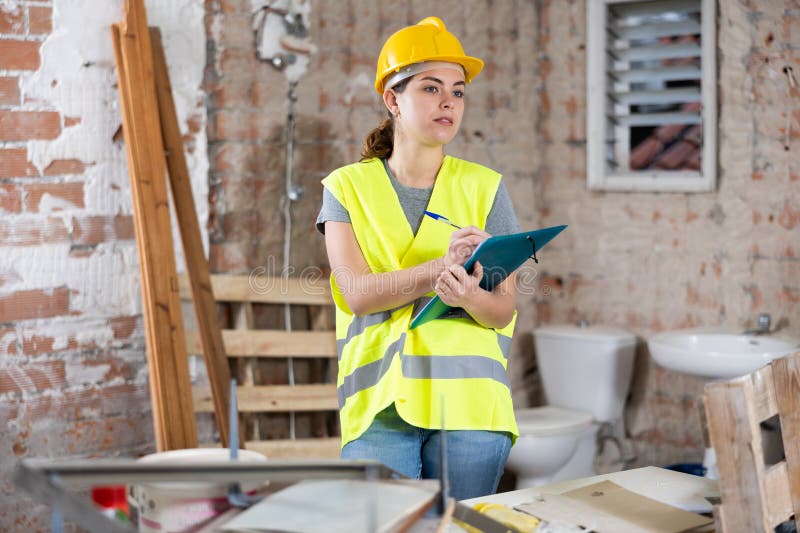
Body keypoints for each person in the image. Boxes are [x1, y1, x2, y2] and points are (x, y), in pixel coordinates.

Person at [316, 16, 521, 500]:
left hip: (471, 403)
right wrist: (439, 271)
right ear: (393, 99)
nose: (448, 102)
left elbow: (503, 310)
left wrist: (469, 296)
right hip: (380, 406)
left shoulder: (485, 188)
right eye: (431, 88)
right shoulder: (346, 188)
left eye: (458, 91)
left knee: (460, 528)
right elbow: (357, 295)